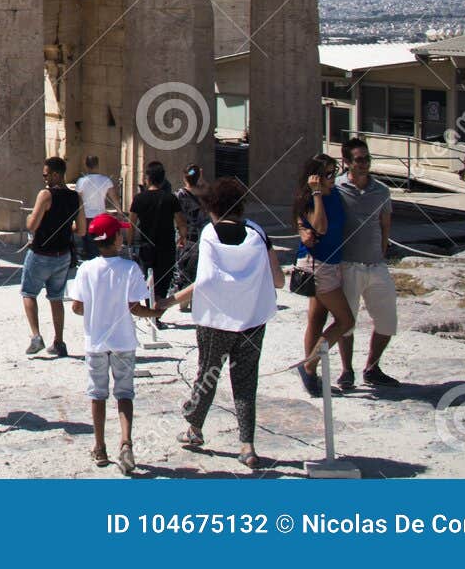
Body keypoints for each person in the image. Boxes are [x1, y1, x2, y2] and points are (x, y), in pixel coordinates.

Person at [162, 175, 282, 470]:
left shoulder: (208, 234)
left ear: (211, 206)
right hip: (252, 319)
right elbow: (278, 278)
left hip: (215, 320)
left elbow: (205, 280)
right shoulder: (257, 232)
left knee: (208, 374)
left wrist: (170, 301)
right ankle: (247, 445)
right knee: (245, 381)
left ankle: (195, 427)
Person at [72, 213, 157, 474]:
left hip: (96, 342)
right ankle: (126, 441)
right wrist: (155, 313)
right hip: (124, 341)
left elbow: (77, 307)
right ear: (116, 238)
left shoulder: (85, 269)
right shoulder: (130, 268)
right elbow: (135, 308)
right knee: (124, 393)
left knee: (97, 394)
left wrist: (98, 309)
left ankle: (99, 446)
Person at [331, 137, 401, 389]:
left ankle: (372, 367)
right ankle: (346, 370)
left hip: (376, 265)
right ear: (347, 162)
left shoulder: (381, 190)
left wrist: (381, 253)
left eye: (367, 159)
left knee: (387, 320)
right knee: (346, 321)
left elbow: (385, 224)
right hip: (348, 265)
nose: (364, 164)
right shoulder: (336, 189)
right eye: (359, 160)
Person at [293, 153, 354, 397]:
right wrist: (317, 193)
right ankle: (309, 364)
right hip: (317, 264)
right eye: (327, 174)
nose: (331, 178)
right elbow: (320, 227)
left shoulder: (336, 193)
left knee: (317, 320)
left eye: (333, 173)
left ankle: (310, 375)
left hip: (331, 262)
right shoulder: (310, 198)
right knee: (346, 321)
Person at [22, 155, 84, 358]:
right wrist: (65, 227)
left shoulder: (46, 195)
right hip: (63, 254)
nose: (44, 178)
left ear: (56, 174)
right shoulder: (76, 197)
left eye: (46, 175)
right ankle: (59, 341)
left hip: (41, 252)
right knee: (56, 298)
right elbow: (81, 229)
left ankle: (36, 336)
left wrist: (30, 217)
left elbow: (32, 225)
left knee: (29, 293)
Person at [128, 161, 186, 307]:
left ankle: (150, 309)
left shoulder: (139, 199)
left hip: (146, 245)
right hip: (166, 246)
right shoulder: (171, 198)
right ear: (163, 179)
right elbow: (181, 222)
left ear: (147, 178)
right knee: (164, 279)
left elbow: (132, 224)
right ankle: (157, 309)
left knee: (149, 278)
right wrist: (182, 237)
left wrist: (129, 243)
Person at [173, 165, 209, 310]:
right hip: (201, 234)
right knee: (200, 267)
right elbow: (208, 188)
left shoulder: (179, 194)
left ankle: (183, 301)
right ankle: (196, 299)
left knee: (183, 266)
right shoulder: (204, 193)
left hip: (185, 234)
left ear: (184, 177)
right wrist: (202, 178)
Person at [74, 156, 117, 261]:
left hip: (86, 218)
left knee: (89, 246)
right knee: (100, 245)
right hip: (101, 218)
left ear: (86, 165)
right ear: (98, 164)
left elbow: (77, 200)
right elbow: (114, 198)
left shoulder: (81, 181)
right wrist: (120, 212)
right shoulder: (106, 180)